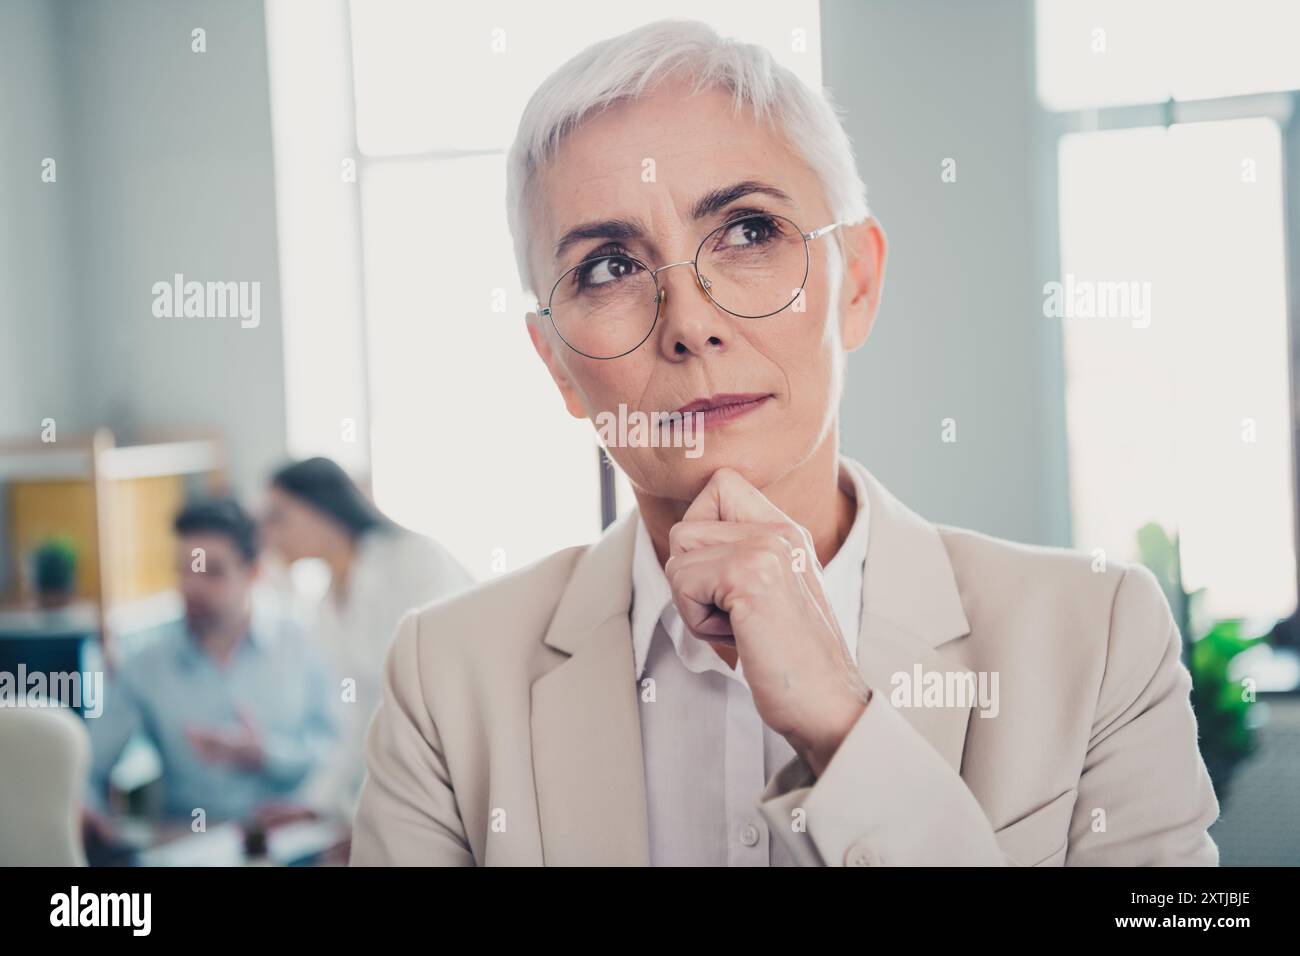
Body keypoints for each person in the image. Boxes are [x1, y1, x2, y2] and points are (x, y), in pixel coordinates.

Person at [350, 19, 1220, 866]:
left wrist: (845, 727)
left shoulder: (1097, 639)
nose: (689, 324)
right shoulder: (445, 682)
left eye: (748, 232)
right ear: (558, 367)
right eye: (609, 267)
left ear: (860, 285)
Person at [86, 498, 337, 827]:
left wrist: (266, 754)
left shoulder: (303, 644)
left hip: (290, 835)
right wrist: (89, 814)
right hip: (187, 843)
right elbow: (89, 767)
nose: (193, 586)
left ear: (254, 572)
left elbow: (338, 756)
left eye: (213, 572)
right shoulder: (145, 665)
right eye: (184, 569)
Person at [258, 457, 473, 823]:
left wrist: (377, 819)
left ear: (320, 508)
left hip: (457, 768)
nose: (269, 536)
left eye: (278, 518)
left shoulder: (413, 559)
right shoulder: (325, 608)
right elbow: (356, 721)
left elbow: (440, 691)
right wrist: (314, 804)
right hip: (405, 793)